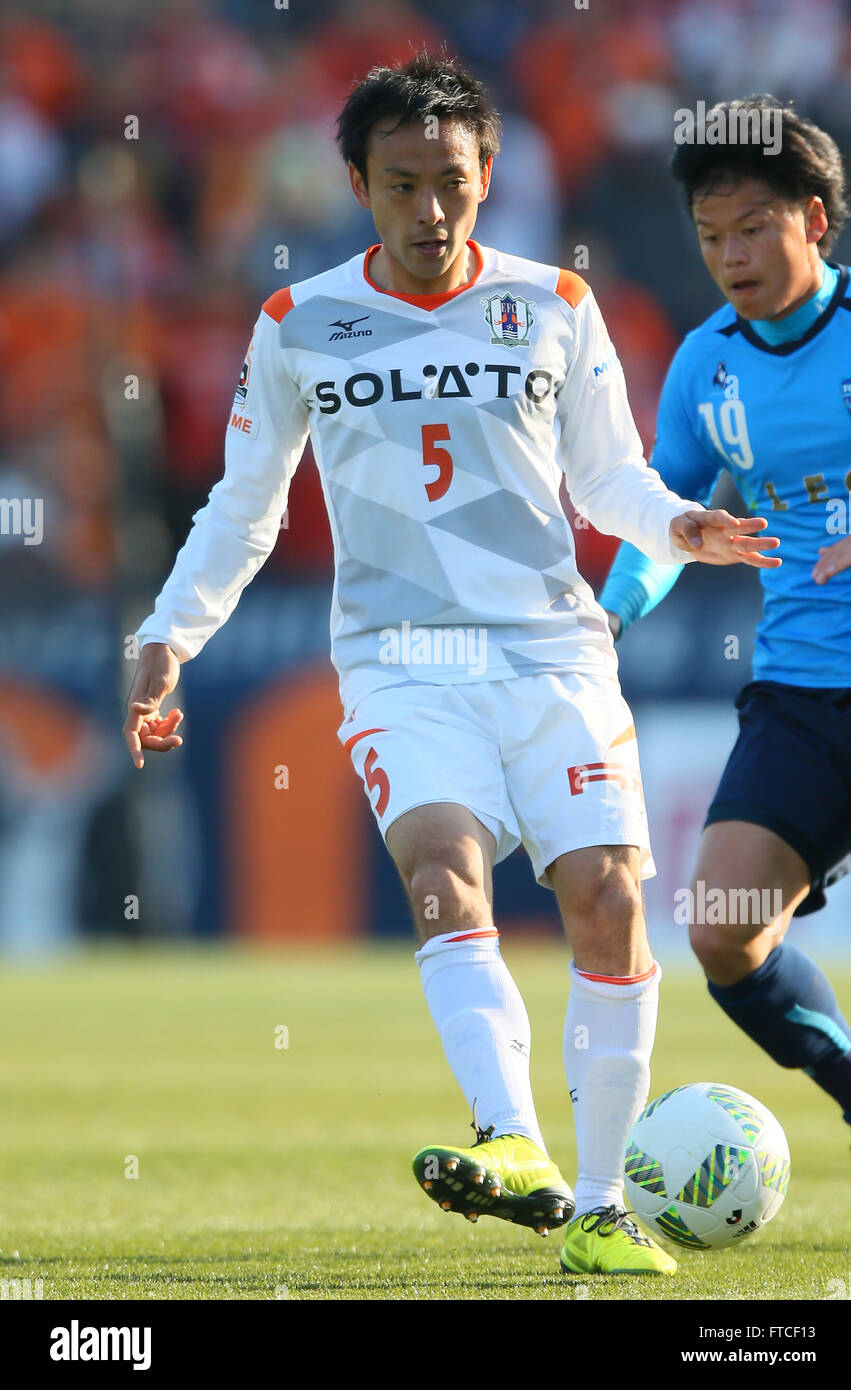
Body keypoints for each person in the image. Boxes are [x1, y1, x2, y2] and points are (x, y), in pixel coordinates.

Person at [123, 55, 779, 1276]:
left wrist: (672, 524)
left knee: (612, 900)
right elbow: (242, 509)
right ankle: (511, 1138)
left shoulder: (555, 304)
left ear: (489, 179)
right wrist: (167, 635)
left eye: (455, 184)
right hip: (397, 659)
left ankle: (597, 1206)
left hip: (549, 653)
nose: (431, 211)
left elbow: (606, 478)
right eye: (404, 185)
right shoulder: (297, 322)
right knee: (441, 866)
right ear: (358, 186)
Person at [601, 96, 851, 1241]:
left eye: (751, 228)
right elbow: (665, 516)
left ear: (813, 218)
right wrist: (604, 610)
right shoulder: (703, 364)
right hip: (798, 686)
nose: (728, 257)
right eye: (710, 236)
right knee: (719, 926)